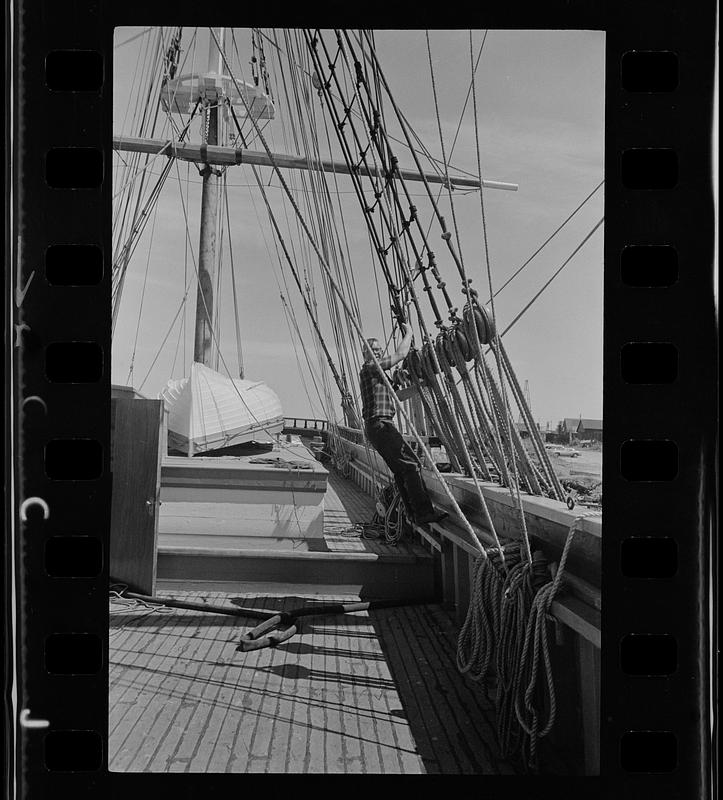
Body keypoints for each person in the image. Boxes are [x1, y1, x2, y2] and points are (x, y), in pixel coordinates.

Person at [359, 325, 447, 526]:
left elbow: (397, 396)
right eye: (374, 351)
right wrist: (409, 334)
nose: (379, 353)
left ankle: (413, 514)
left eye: (380, 350)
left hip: (377, 427)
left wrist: (421, 387)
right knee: (412, 464)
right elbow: (400, 354)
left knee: (401, 470)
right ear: (366, 355)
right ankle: (423, 513)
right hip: (380, 424)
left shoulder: (377, 375)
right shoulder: (371, 368)